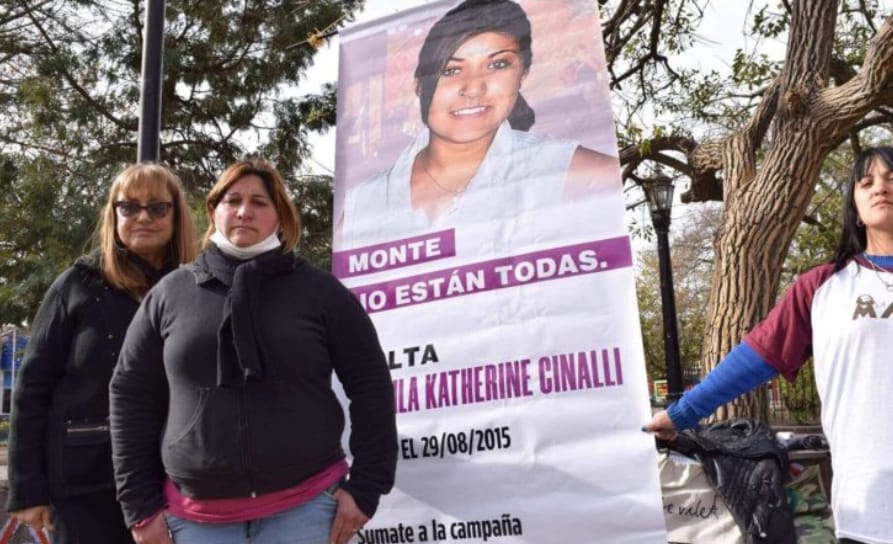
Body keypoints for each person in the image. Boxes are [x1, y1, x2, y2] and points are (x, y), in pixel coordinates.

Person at [646, 146, 893, 544]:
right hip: (868, 516)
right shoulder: (822, 286)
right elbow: (756, 357)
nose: (880, 187)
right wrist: (680, 414)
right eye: (866, 182)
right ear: (855, 206)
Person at [109, 158, 398, 544]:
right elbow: (129, 395)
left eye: (260, 202)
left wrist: (366, 488)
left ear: (280, 215)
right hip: (194, 519)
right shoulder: (170, 294)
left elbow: (371, 384)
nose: (245, 211)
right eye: (233, 200)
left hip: (307, 509)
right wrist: (140, 508)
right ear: (214, 210)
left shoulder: (320, 292)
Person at [6, 164, 197, 543]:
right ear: (114, 215)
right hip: (86, 485)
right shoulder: (76, 285)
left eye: (158, 207)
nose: (143, 217)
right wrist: (27, 489)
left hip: (177, 483)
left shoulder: (195, 287)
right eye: (129, 207)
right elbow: (31, 391)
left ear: (176, 216)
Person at [339, 0, 619, 248]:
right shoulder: (361, 207)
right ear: (418, 86)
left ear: (523, 75)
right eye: (452, 70)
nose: (473, 88)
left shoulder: (579, 175)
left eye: (497, 65)